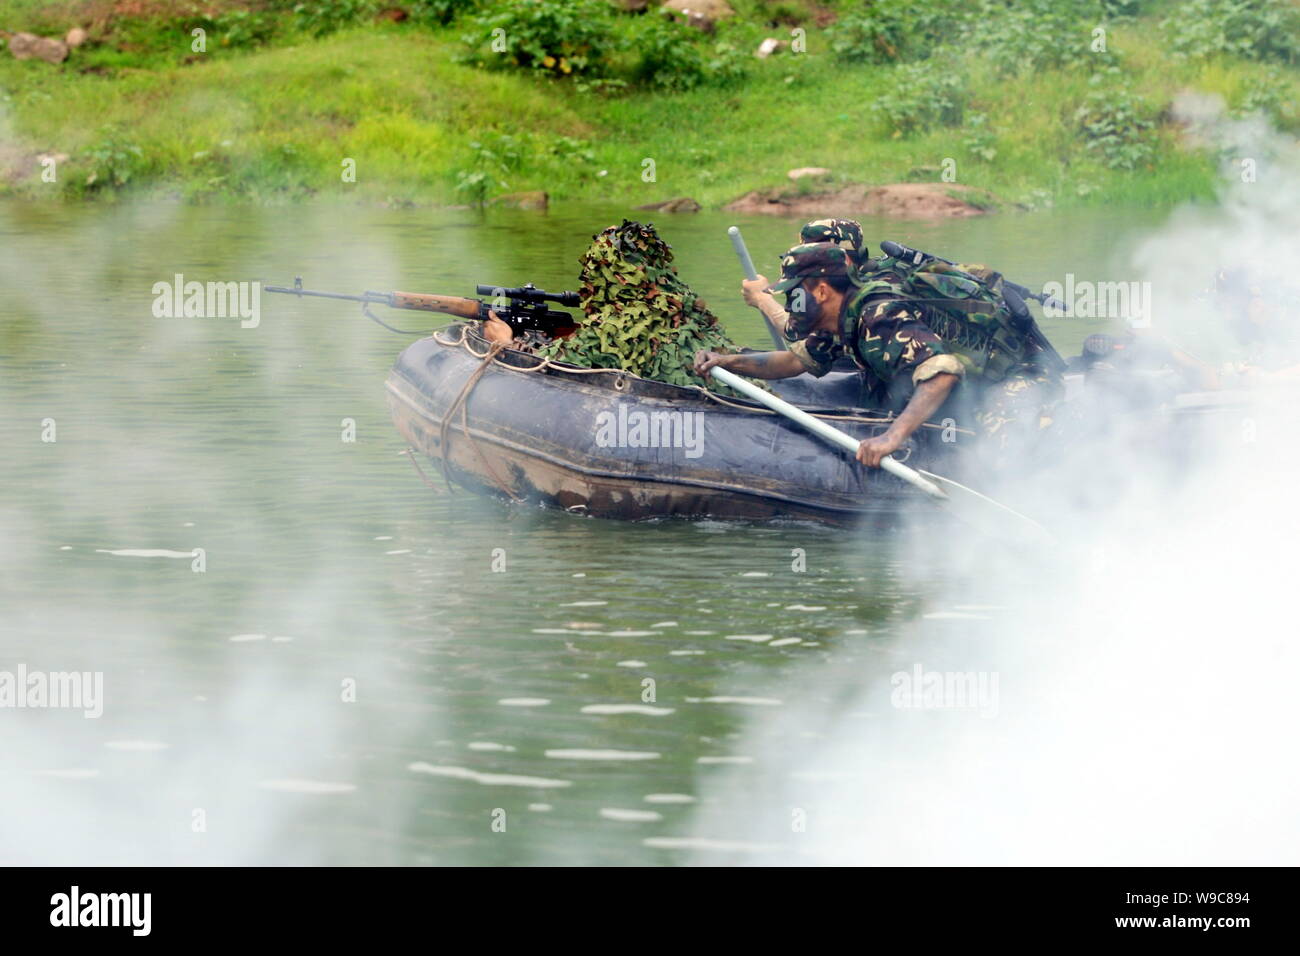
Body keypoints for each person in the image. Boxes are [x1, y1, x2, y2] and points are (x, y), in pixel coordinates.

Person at [694, 242, 1063, 468]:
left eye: (794, 293)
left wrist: (892, 437)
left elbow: (942, 373)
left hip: (1017, 377)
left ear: (821, 291)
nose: (790, 302)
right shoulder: (840, 319)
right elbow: (794, 362)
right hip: (972, 383)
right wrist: (728, 362)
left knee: (1007, 453)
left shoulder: (877, 313)